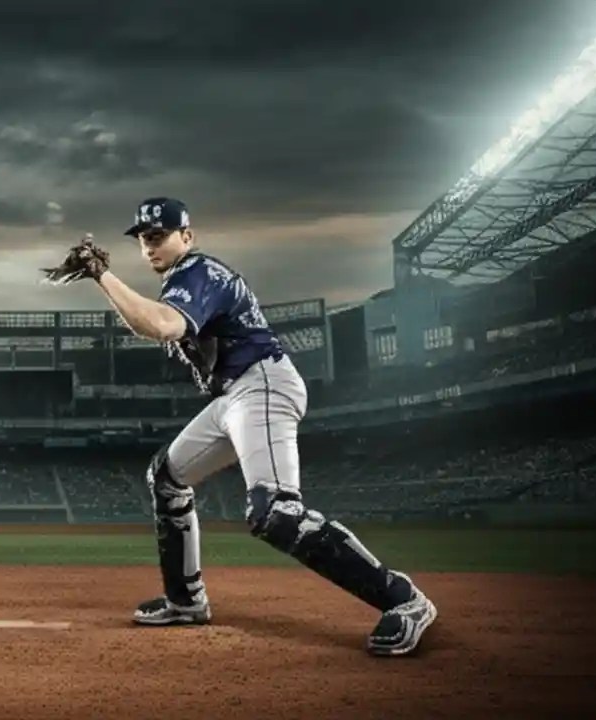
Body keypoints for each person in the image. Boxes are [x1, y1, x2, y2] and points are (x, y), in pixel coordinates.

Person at [41, 197, 437, 656]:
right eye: (144, 238)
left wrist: (101, 275)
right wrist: (102, 277)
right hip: (233, 397)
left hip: (262, 384)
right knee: (166, 478)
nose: (149, 246)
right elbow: (154, 322)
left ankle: (404, 600)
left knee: (277, 515)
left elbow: (163, 326)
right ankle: (185, 601)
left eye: (159, 236)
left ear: (187, 236)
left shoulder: (199, 272)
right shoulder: (180, 279)